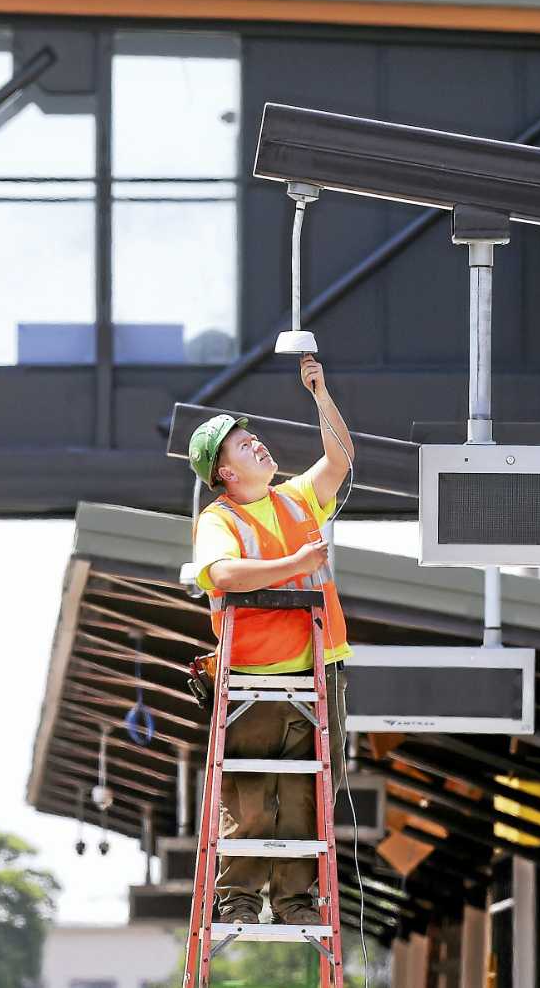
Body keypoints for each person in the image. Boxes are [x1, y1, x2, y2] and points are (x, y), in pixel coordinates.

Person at [185, 354, 354, 927]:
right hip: (254, 678)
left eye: (252, 436)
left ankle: (295, 903)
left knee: (308, 799)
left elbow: (340, 458)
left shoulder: (297, 497)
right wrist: (295, 563)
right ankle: (238, 899)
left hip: (316, 670)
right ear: (225, 472)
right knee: (250, 798)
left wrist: (319, 393)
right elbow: (222, 574)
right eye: (241, 444)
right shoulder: (219, 519)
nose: (256, 443)